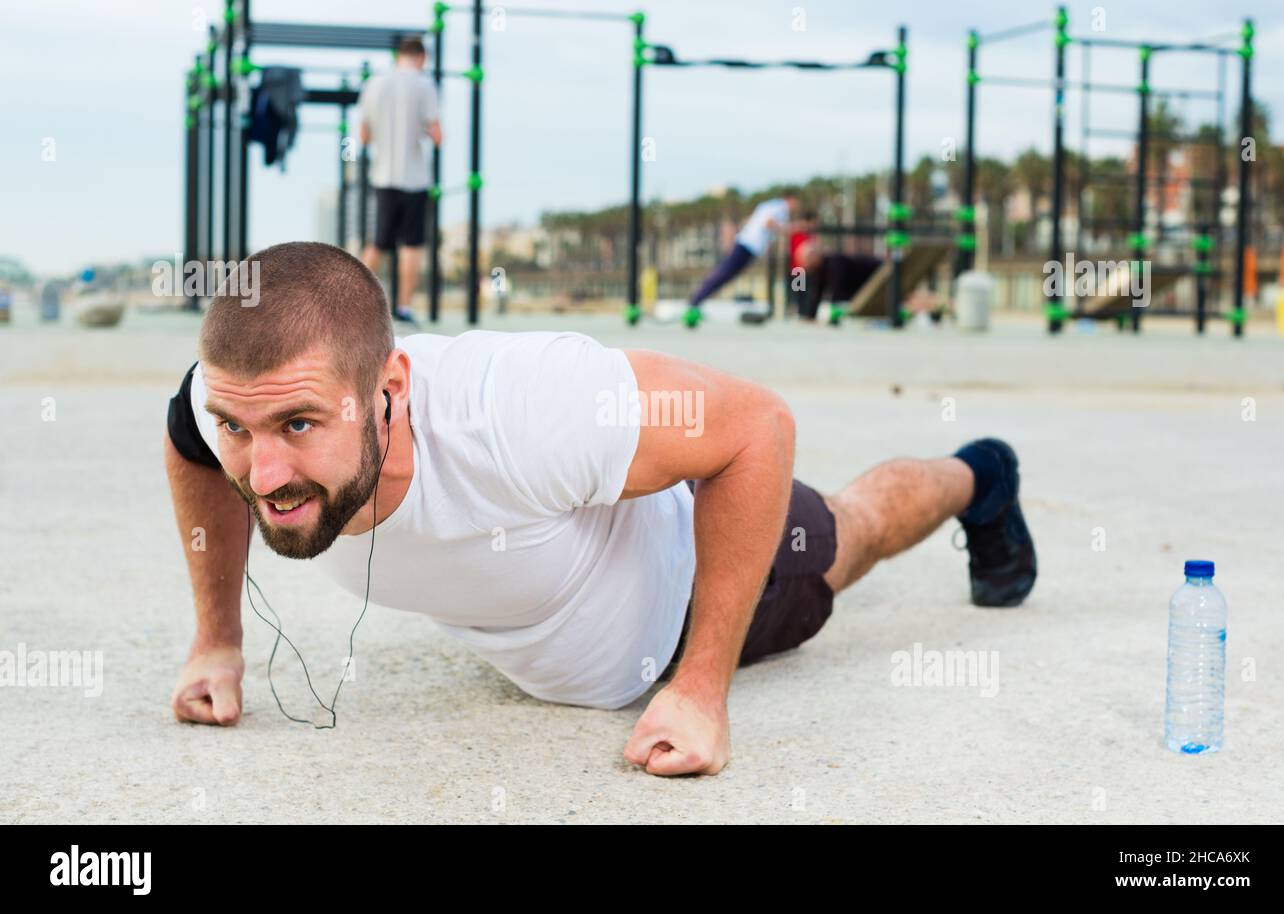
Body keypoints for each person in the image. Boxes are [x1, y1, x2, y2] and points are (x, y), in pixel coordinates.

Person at [165, 241, 1037, 778]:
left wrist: (700, 688)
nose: (262, 469)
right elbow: (189, 434)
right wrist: (218, 638)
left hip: (688, 579)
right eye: (237, 427)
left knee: (853, 527)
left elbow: (757, 426)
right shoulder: (234, 401)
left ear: (390, 387)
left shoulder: (529, 409)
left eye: (299, 423)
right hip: (540, 622)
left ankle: (981, 476)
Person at [359, 35, 442, 324]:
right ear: (421, 57)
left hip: (383, 175)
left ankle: (354, 303)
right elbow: (436, 134)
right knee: (412, 244)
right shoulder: (425, 84)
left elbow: (364, 135)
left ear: (398, 56)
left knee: (378, 241)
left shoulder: (375, 84)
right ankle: (404, 307)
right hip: (415, 178)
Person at [684, 195, 804, 322]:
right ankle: (695, 301)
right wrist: (789, 229)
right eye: (796, 204)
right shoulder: (780, 208)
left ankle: (696, 301)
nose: (796, 208)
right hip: (748, 246)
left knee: (725, 274)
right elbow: (768, 223)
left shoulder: (769, 205)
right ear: (791, 199)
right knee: (723, 274)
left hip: (747, 245)